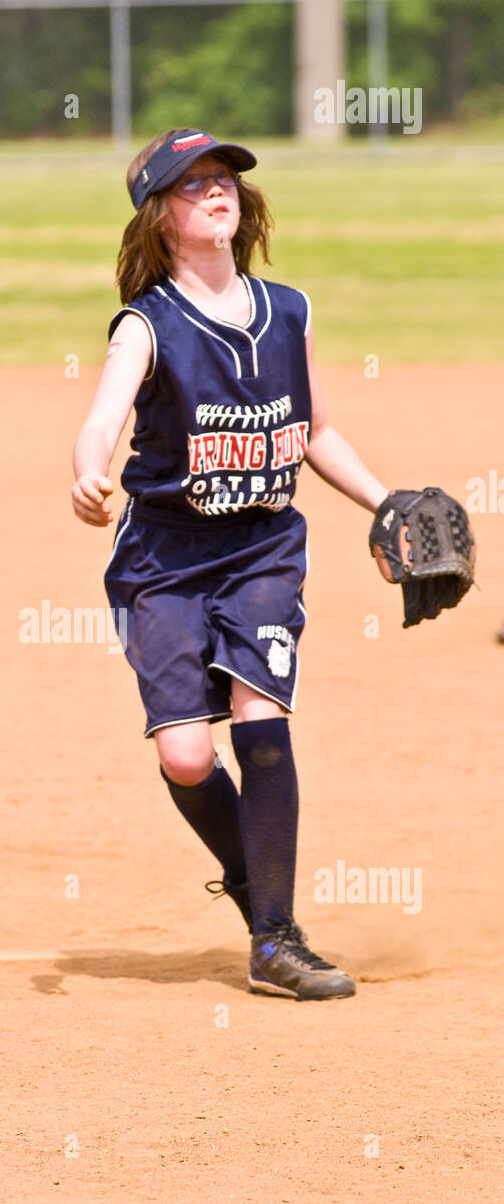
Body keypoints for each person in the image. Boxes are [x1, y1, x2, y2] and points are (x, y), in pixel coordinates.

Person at [71, 128, 391, 1001]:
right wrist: (88, 469)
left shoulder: (289, 309)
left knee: (259, 717)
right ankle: (259, 888)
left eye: (226, 181)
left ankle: (274, 942)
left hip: (260, 548)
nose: (219, 192)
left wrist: (385, 502)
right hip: (162, 557)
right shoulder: (147, 323)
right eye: (194, 184)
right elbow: (102, 414)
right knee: (182, 755)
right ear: (161, 217)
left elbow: (315, 431)